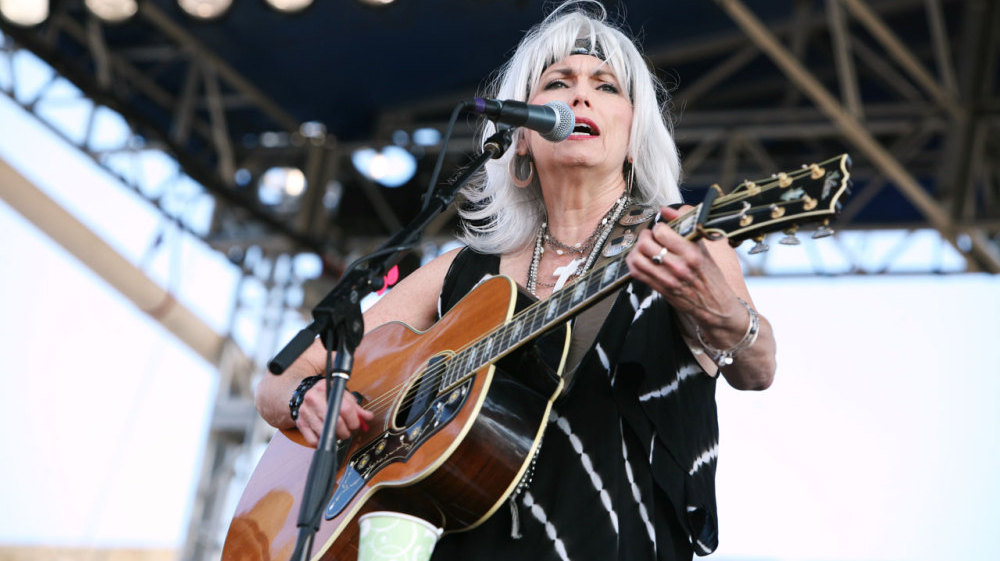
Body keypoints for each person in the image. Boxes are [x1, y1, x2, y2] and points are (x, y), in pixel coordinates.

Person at [254, 1, 776, 560]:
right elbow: (279, 381)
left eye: (605, 87)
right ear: (522, 137)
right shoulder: (460, 271)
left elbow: (758, 365)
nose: (580, 96)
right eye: (558, 82)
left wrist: (721, 313)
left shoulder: (681, 241)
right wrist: (309, 396)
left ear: (633, 135)